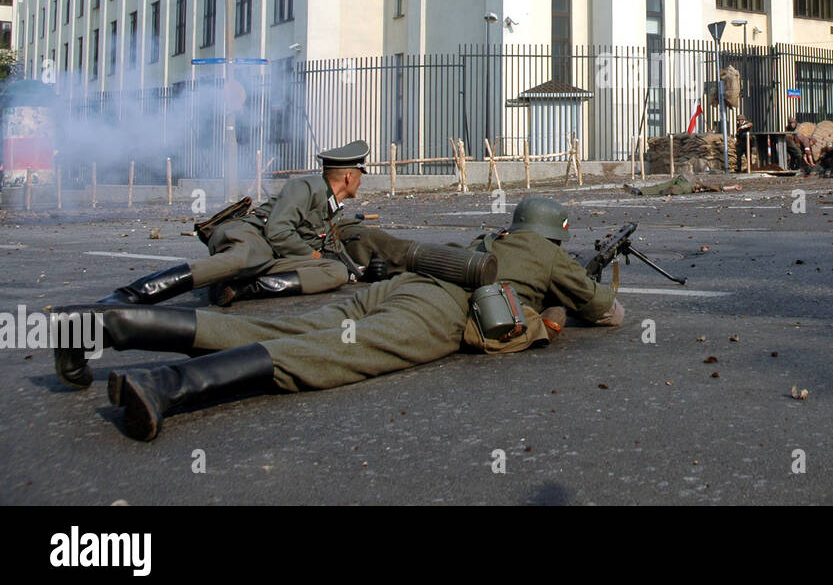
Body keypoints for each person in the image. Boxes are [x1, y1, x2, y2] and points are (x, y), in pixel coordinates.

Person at [52, 196, 624, 441]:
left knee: (282, 329)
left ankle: (106, 325)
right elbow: (603, 311)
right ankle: (166, 387)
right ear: (558, 233)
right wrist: (592, 285)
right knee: (327, 356)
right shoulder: (550, 255)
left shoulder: (487, 241)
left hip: (402, 288)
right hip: (439, 311)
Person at [95, 141, 370, 307]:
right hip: (252, 236)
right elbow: (277, 231)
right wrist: (311, 255)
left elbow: (328, 250)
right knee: (241, 260)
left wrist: (360, 271)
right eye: (360, 174)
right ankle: (127, 298)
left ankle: (241, 288)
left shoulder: (332, 207)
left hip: (273, 256)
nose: (361, 180)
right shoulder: (305, 187)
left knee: (333, 271)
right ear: (349, 176)